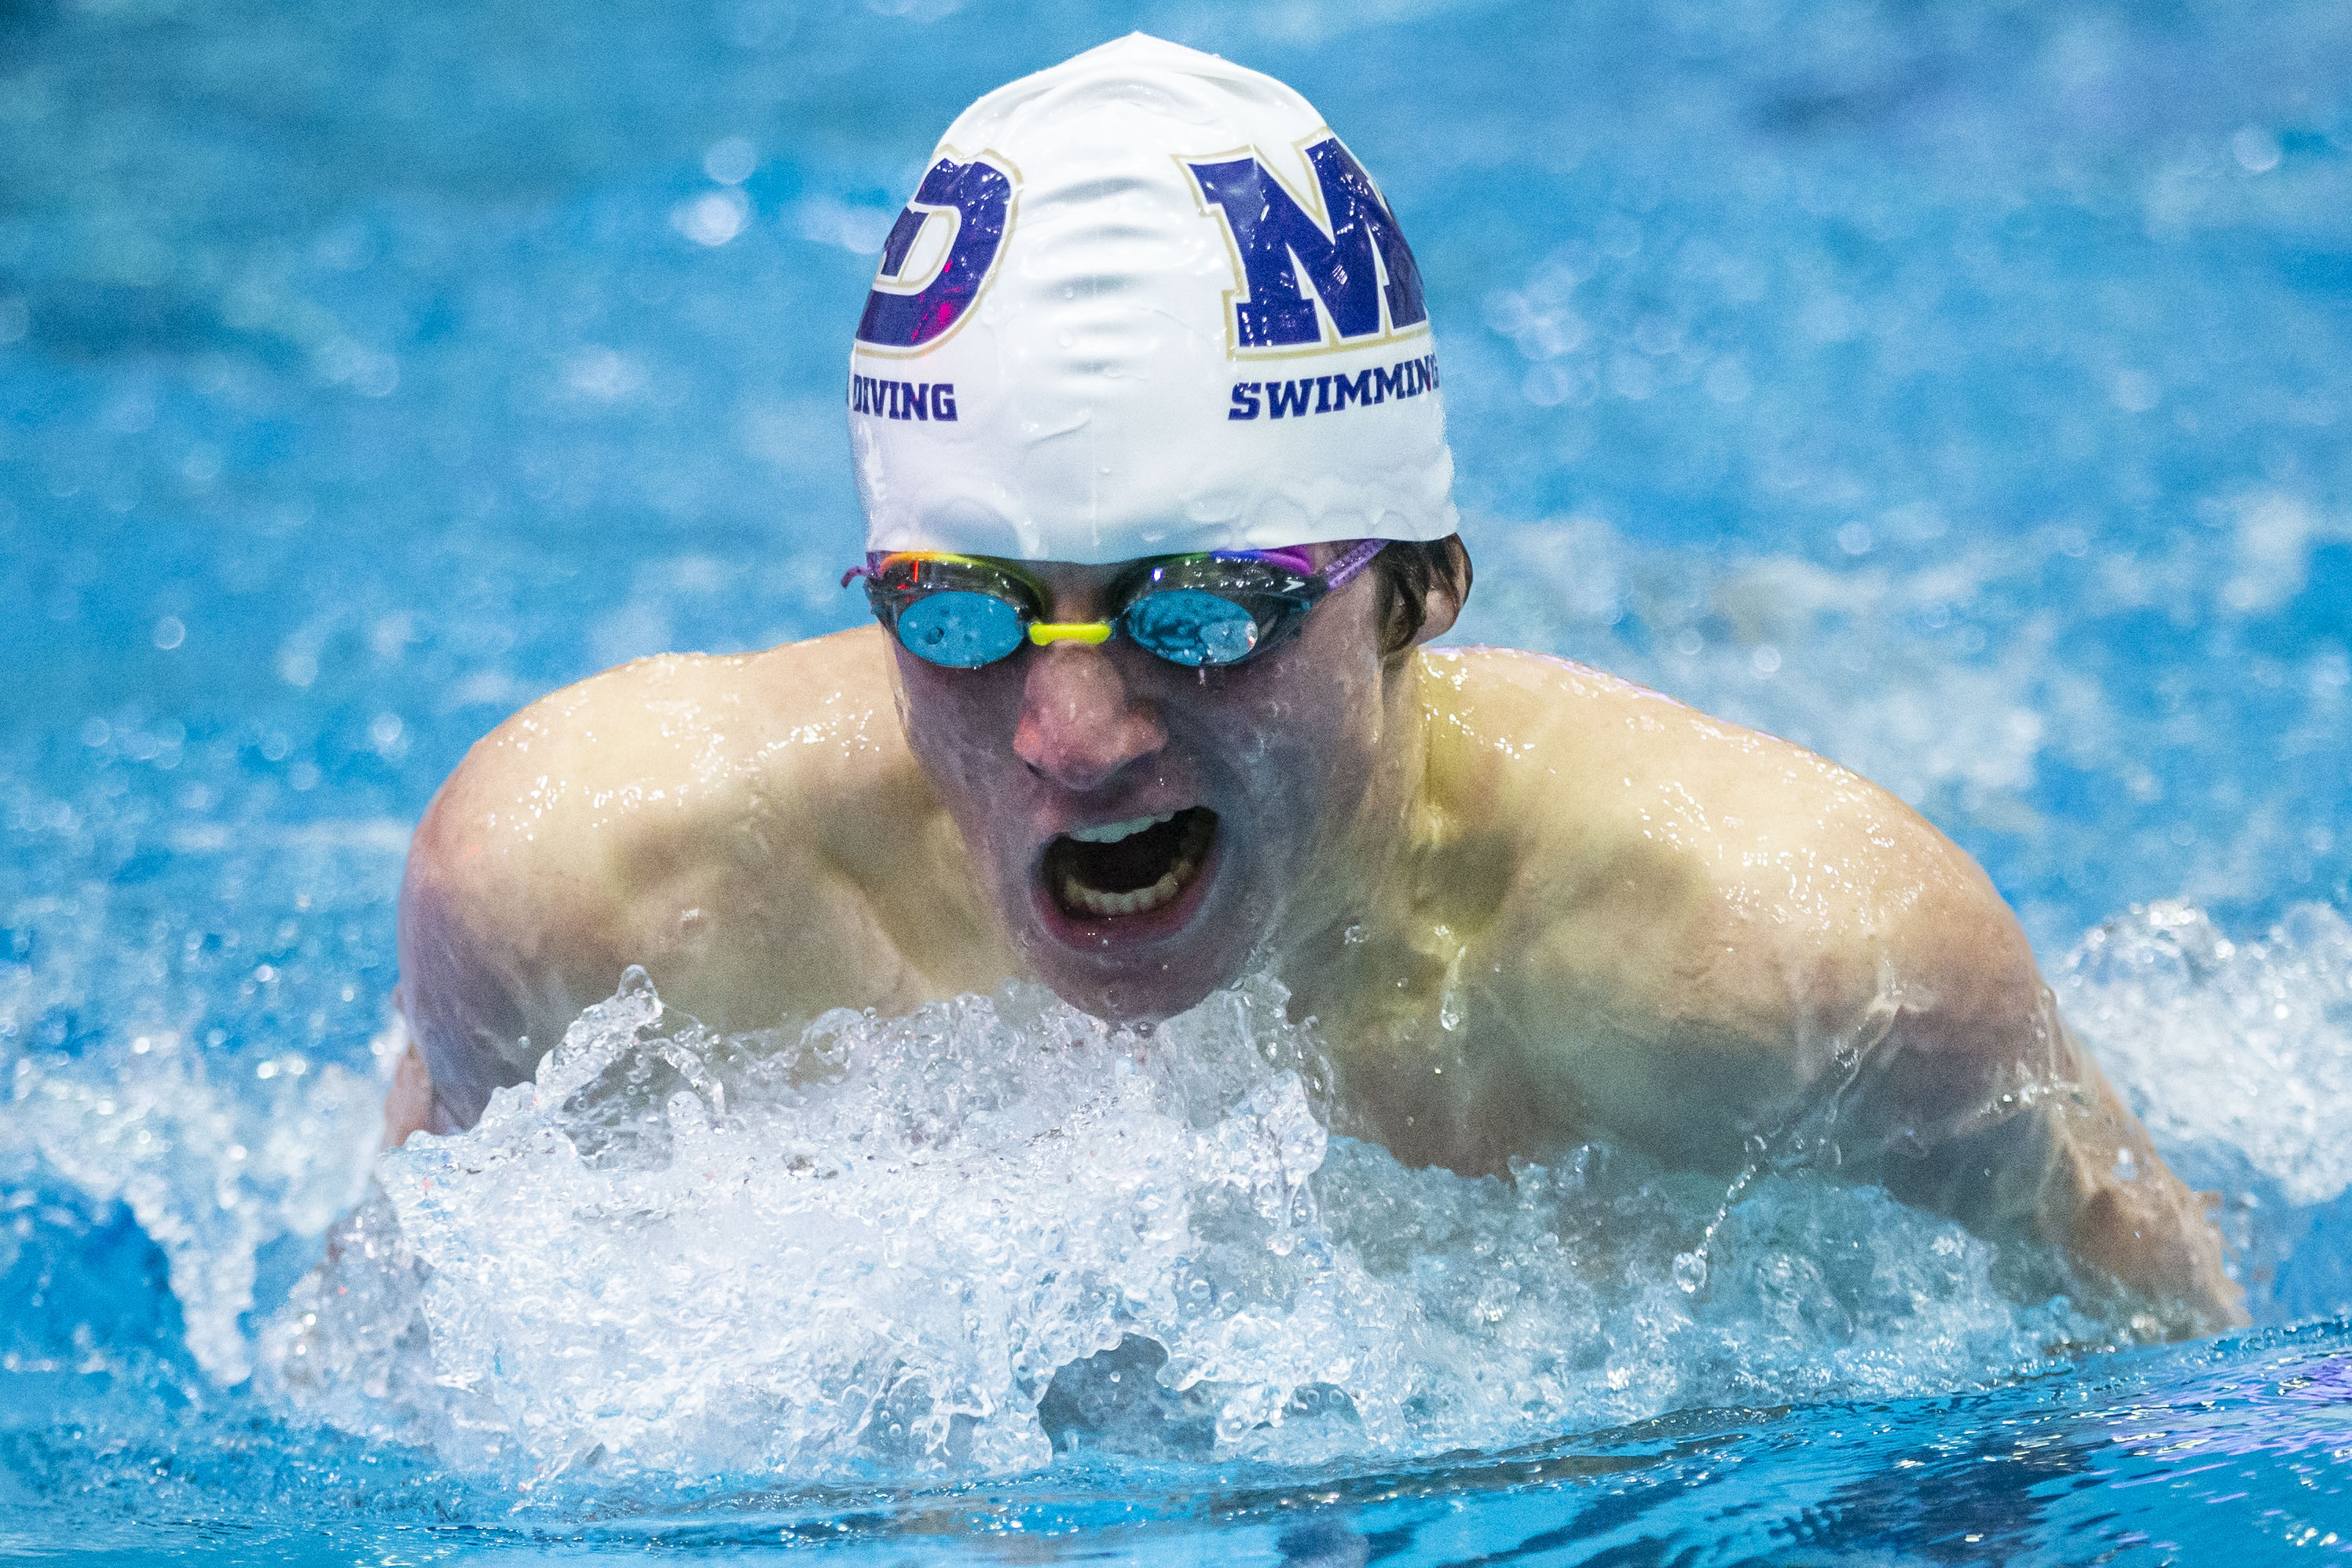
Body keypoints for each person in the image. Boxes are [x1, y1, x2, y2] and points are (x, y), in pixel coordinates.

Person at [384, 35, 2244, 1333]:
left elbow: (2148, 1403)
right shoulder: (601, 890)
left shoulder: (1790, 964)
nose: (1075, 735)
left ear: (1422, 586)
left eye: (1200, 611)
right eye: (960, 613)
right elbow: (381, 1407)